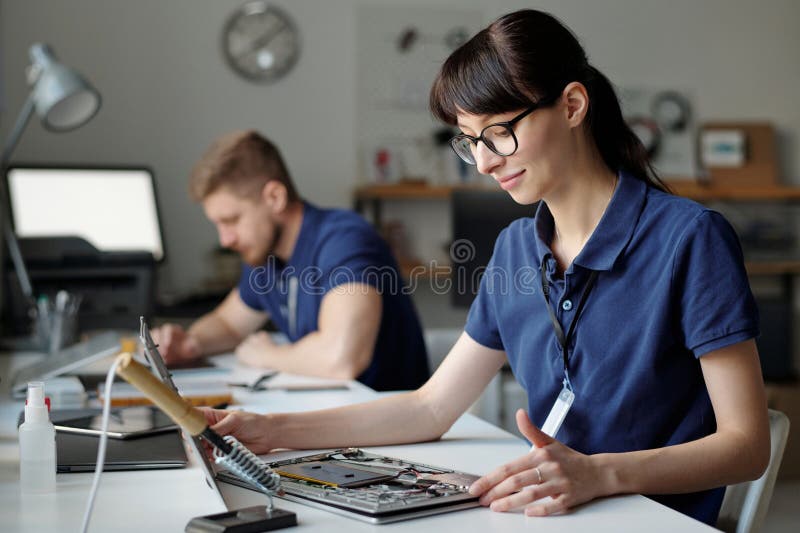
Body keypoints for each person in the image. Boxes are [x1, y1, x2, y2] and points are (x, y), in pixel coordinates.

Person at [199, 10, 769, 525]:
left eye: (500, 131)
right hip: (549, 511)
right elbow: (430, 406)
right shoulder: (516, 249)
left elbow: (747, 445)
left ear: (572, 105)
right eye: (469, 141)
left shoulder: (689, 239)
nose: (484, 161)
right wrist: (268, 431)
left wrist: (603, 473)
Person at [153, 130, 429, 391]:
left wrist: (269, 355)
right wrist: (189, 342)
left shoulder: (344, 239)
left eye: (232, 220)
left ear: (275, 197)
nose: (225, 240)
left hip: (386, 426)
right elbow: (229, 324)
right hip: (335, 414)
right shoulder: (264, 256)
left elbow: (342, 358)